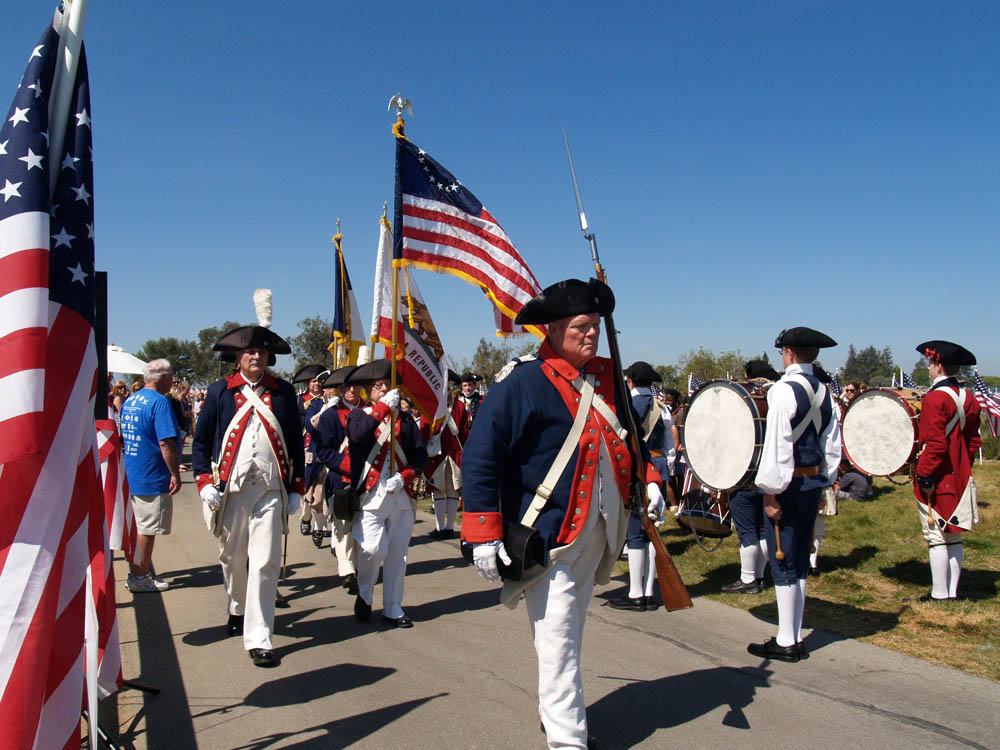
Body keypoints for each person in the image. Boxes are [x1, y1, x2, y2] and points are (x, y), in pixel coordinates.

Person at [462, 278, 663, 750]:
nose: (590, 334)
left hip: (599, 532)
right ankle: (567, 740)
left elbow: (631, 435)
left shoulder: (608, 376)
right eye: (579, 326)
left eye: (594, 325)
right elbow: (480, 457)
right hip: (551, 535)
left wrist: (649, 479)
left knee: (567, 635)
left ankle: (556, 717)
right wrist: (483, 533)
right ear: (551, 329)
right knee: (558, 641)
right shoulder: (523, 382)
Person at [193, 306, 305, 669]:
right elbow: (201, 440)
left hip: (271, 489)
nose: (256, 356)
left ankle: (259, 637)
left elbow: (294, 441)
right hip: (231, 489)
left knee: (266, 561)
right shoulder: (220, 392)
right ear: (238, 357)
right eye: (249, 352)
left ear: (269, 356)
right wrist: (203, 481)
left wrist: (295, 488)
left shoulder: (284, 393)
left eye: (261, 352)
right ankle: (238, 605)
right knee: (232, 557)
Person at [747, 327, 841, 663]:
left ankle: (787, 640)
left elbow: (777, 446)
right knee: (800, 561)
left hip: (787, 486)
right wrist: (825, 482)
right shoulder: (825, 392)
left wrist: (770, 492)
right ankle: (795, 635)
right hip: (812, 483)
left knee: (783, 559)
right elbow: (832, 443)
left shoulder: (784, 391)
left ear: (788, 353)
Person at [345, 359, 428, 628]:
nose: (382, 388)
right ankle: (365, 593)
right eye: (376, 385)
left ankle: (393, 606)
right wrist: (383, 409)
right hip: (371, 495)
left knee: (397, 553)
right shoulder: (359, 415)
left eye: (386, 384)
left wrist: (405, 477)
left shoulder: (404, 420)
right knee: (372, 549)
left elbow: (419, 456)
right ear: (368, 391)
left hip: (400, 496)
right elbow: (359, 437)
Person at [912, 340, 981, 602]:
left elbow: (935, 443)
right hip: (960, 474)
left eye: (930, 363)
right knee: (954, 536)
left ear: (939, 365)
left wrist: (925, 474)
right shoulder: (969, 398)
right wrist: (964, 465)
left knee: (937, 537)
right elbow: (973, 441)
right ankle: (952, 592)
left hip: (939, 475)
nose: (928, 368)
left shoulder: (935, 397)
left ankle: (939, 593)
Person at [609, 361, 668, 611]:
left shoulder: (627, 406)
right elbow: (669, 446)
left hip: (638, 470)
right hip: (659, 468)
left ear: (630, 382)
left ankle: (635, 593)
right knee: (652, 531)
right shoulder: (662, 408)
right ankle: (649, 590)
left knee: (635, 533)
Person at [119, 358, 181, 593]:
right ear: (163, 377)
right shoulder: (160, 403)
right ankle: (139, 575)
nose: (173, 381)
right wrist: (174, 472)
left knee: (137, 526)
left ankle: (139, 570)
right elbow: (166, 443)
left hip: (132, 471)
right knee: (146, 529)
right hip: (151, 475)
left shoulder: (131, 400)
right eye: (172, 376)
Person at [721, 359, 780, 595]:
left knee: (747, 531)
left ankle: (748, 579)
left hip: (744, 476)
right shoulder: (776, 400)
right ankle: (760, 575)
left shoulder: (743, 402)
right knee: (764, 530)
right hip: (769, 476)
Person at [315, 364, 363, 594]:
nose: (352, 390)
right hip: (340, 478)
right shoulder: (331, 416)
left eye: (356, 385)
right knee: (343, 525)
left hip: (367, 479)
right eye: (347, 386)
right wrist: (347, 467)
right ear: (341, 389)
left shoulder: (372, 412)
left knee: (362, 525)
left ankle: (360, 565)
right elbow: (324, 451)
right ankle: (347, 571)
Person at [423, 371, 470, 540]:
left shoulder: (435, 405)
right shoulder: (459, 406)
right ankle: (447, 527)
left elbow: (426, 428)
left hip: (439, 454)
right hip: (452, 454)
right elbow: (465, 433)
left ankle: (442, 527)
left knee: (443, 491)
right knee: (449, 491)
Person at [292, 364, 331, 538]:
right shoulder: (301, 400)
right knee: (305, 486)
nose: (316, 384)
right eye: (313, 381)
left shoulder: (327, 400)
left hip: (323, 447)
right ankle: (306, 516)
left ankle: (318, 524)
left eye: (319, 381)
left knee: (321, 489)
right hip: (304, 445)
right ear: (308, 383)